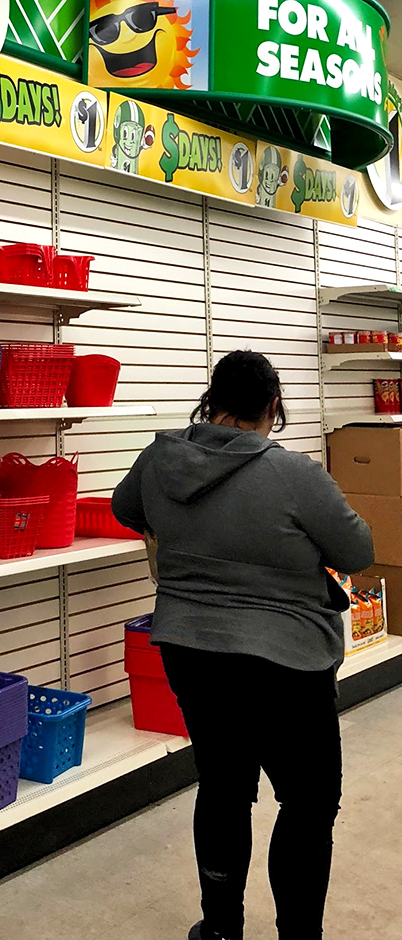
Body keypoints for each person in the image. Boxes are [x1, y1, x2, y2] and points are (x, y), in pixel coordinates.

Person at [112, 350, 374, 940]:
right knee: (307, 806)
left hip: (190, 650)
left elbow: (124, 509)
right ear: (273, 406)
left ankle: (222, 927)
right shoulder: (296, 474)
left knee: (225, 788)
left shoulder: (160, 458)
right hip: (289, 663)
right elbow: (357, 550)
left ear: (212, 399)